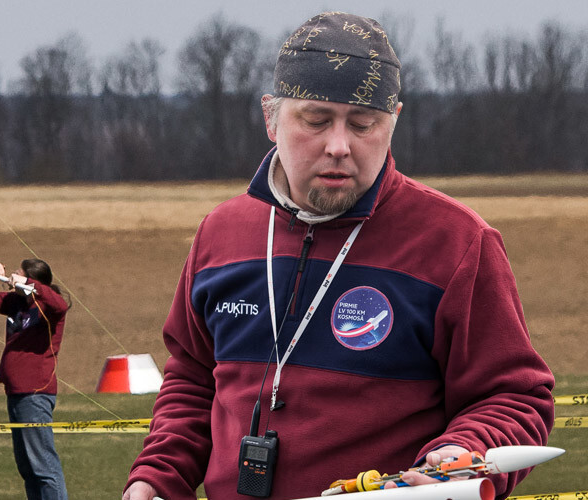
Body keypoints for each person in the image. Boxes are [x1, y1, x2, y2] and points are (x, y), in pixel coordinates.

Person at [123, 12, 554, 500]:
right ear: (271, 117)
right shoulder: (221, 234)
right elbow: (195, 376)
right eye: (316, 120)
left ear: (394, 123)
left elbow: (514, 396)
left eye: (363, 124)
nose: (339, 146)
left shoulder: (456, 242)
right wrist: (156, 478)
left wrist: (463, 451)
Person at [0, 259, 70, 500]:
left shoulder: (47, 306)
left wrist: (28, 283)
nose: (12, 279)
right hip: (15, 391)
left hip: (35, 393)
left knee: (43, 465)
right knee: (27, 467)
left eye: (18, 274)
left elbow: (59, 304)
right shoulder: (16, 303)